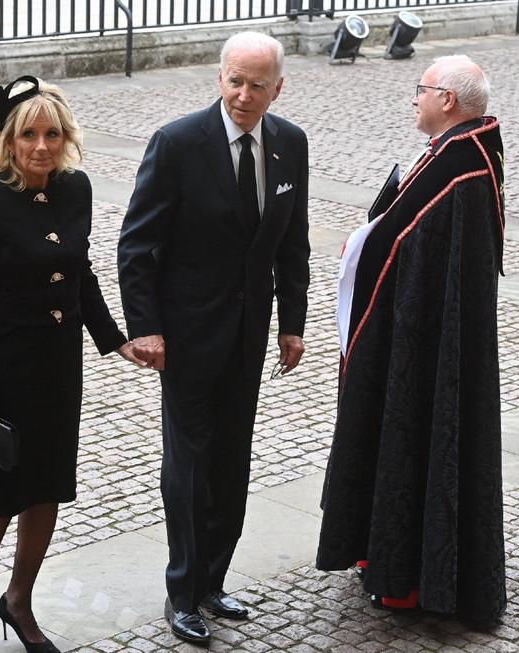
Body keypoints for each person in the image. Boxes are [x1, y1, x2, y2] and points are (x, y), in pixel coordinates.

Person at [118, 31, 311, 645]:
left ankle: (213, 579)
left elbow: (292, 243)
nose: (243, 95)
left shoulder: (289, 145)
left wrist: (293, 323)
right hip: (185, 336)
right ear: (218, 77)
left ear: (278, 88)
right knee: (189, 462)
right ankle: (183, 591)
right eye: (234, 81)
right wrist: (144, 327)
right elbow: (137, 244)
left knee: (231, 459)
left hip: (248, 333)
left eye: (257, 85)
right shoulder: (177, 144)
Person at [0, 75, 142, 653]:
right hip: (4, 373)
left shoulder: (75, 188)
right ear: (8, 139)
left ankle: (18, 602)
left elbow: (80, 272)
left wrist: (114, 340)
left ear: (66, 137)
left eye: (51, 134)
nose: (41, 146)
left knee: (48, 490)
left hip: (58, 368)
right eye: (28, 134)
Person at [316, 54, 507, 627]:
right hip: (420, 332)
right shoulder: (467, 150)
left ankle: (409, 578)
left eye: (420, 89)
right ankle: (392, 556)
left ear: (448, 100)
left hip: (423, 347)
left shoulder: (461, 166)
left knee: (418, 434)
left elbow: (420, 253)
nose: (414, 98)